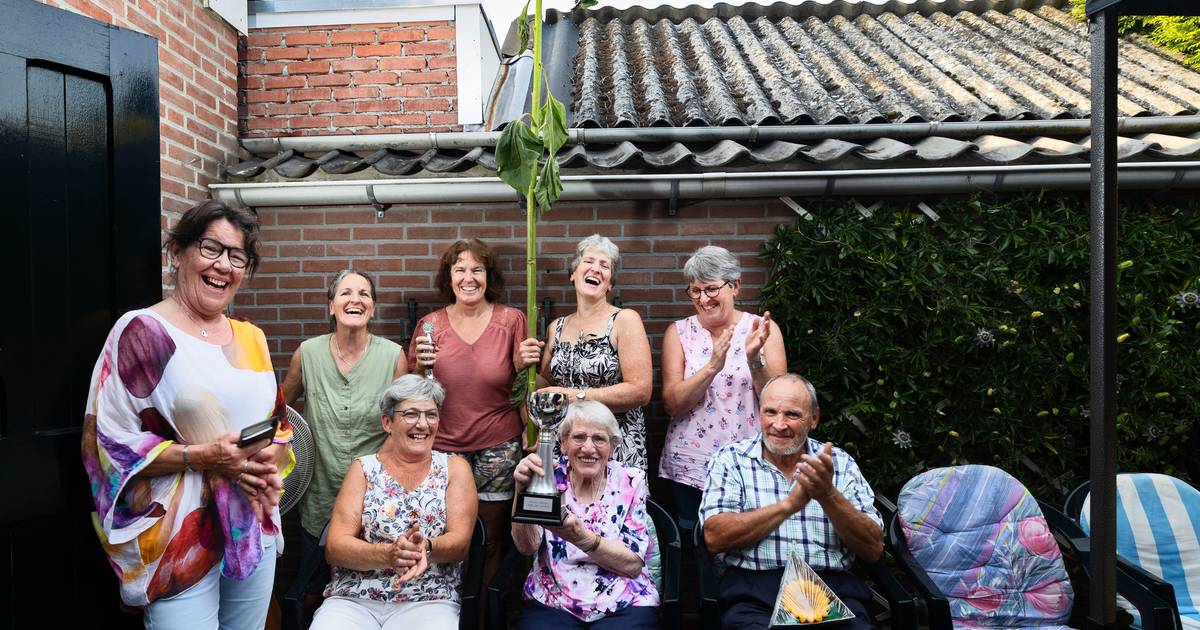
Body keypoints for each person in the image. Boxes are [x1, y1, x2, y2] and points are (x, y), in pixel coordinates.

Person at [81, 199, 293, 629]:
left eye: (238, 256)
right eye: (211, 248)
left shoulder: (253, 338)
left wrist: (271, 455)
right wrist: (200, 457)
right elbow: (104, 441)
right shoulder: (141, 332)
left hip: (251, 523)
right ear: (177, 252)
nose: (224, 265)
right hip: (180, 536)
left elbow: (279, 426)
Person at [700, 374, 883, 630]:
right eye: (770, 412)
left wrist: (828, 495)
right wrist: (788, 507)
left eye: (792, 415)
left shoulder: (840, 463)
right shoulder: (731, 460)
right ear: (759, 413)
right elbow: (714, 537)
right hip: (755, 591)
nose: (779, 424)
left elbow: (873, 548)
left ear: (814, 419)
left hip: (834, 589)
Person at [409, 238, 543, 583]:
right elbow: (411, 393)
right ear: (449, 278)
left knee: (490, 542)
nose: (469, 278)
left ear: (489, 276)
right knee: (445, 539)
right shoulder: (429, 325)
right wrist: (421, 369)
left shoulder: (513, 320)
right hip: (442, 450)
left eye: (477, 270)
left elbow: (533, 385)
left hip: (497, 447)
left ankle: (480, 613)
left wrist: (522, 366)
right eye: (460, 270)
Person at [311, 375, 477, 630]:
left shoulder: (454, 469)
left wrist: (426, 547)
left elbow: (461, 544)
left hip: (428, 599)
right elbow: (335, 547)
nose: (422, 424)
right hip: (355, 599)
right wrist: (388, 555)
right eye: (411, 414)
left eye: (431, 415)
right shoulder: (363, 470)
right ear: (387, 422)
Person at [282, 269, 407, 579]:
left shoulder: (394, 357)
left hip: (376, 498)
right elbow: (279, 416)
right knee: (314, 586)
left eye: (364, 294)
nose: (355, 300)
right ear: (331, 306)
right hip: (319, 495)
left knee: (372, 581)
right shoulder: (307, 354)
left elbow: (403, 431)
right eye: (346, 293)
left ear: (373, 308)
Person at [659, 245, 786, 533]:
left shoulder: (762, 329)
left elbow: (779, 402)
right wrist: (711, 367)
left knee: (747, 541)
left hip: (750, 464)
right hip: (691, 465)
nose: (703, 299)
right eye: (695, 290)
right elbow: (672, 404)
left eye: (711, 289)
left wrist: (755, 360)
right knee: (696, 545)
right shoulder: (678, 333)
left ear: (735, 286)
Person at [512, 400, 659, 630]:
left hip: (623, 601)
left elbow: (632, 565)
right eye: (579, 437)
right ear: (562, 443)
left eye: (599, 439)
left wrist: (581, 537)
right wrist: (520, 492)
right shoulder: (547, 475)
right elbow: (526, 547)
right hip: (553, 601)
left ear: (612, 447)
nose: (588, 448)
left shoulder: (631, 480)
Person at [537, 234, 652, 471]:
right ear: (573, 273)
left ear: (610, 283)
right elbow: (546, 384)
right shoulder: (556, 327)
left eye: (604, 265)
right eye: (588, 261)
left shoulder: (624, 320)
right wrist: (521, 366)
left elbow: (640, 391)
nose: (596, 269)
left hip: (613, 443)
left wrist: (575, 396)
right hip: (566, 444)